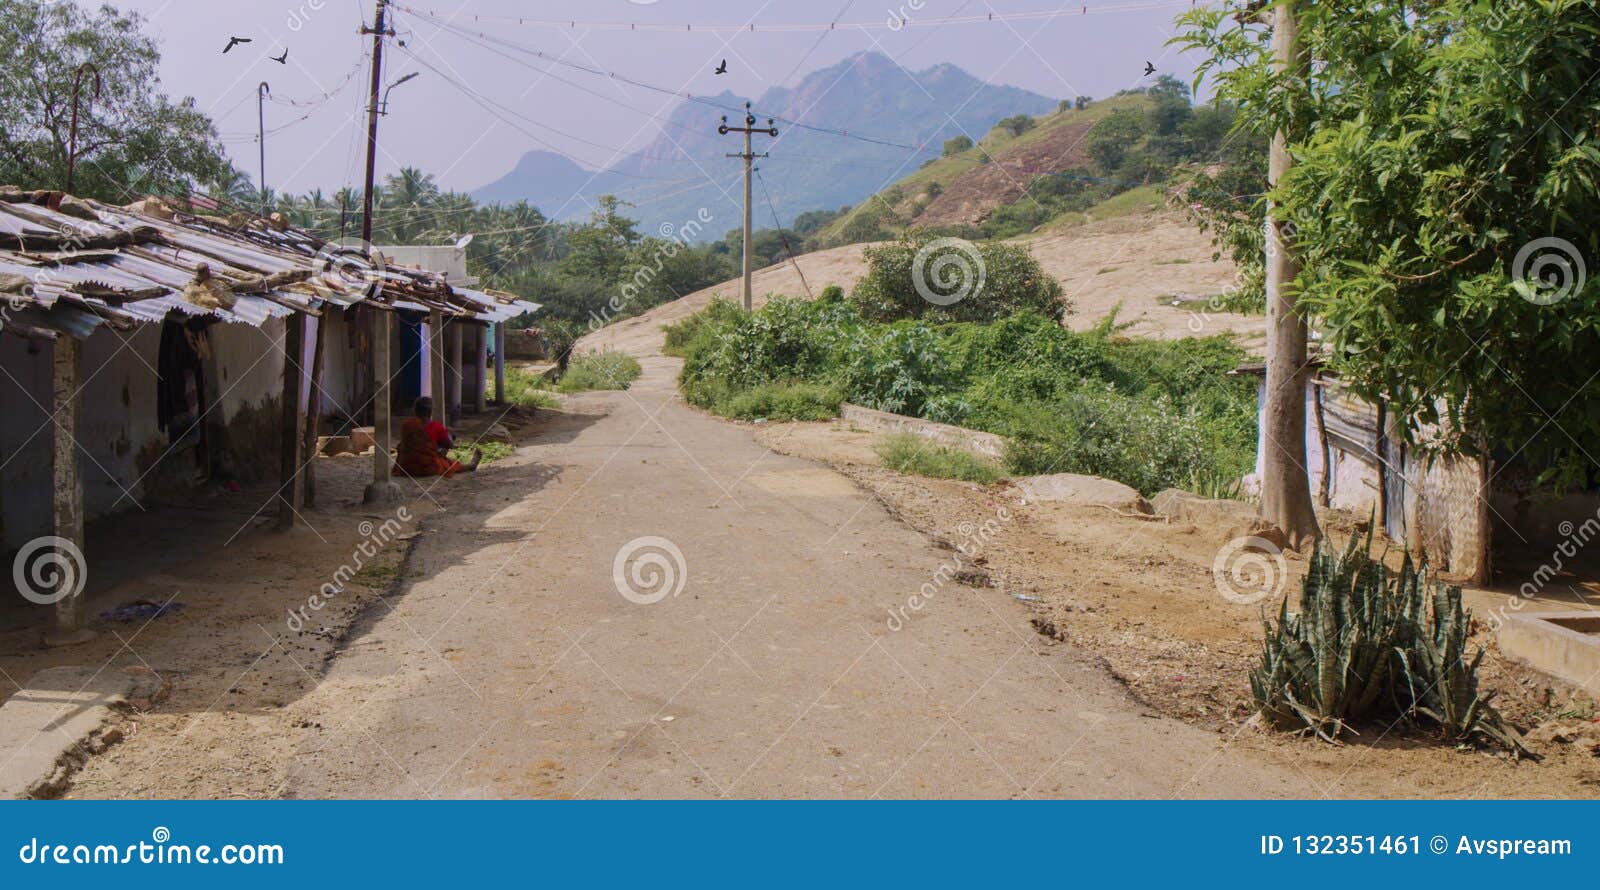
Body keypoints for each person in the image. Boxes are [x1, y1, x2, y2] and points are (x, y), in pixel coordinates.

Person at [393, 397, 481, 478]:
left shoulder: (407, 425)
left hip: (406, 467)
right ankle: (471, 465)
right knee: (450, 464)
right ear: (431, 411)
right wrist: (449, 434)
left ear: (415, 410)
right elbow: (449, 445)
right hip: (426, 468)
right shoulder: (436, 426)